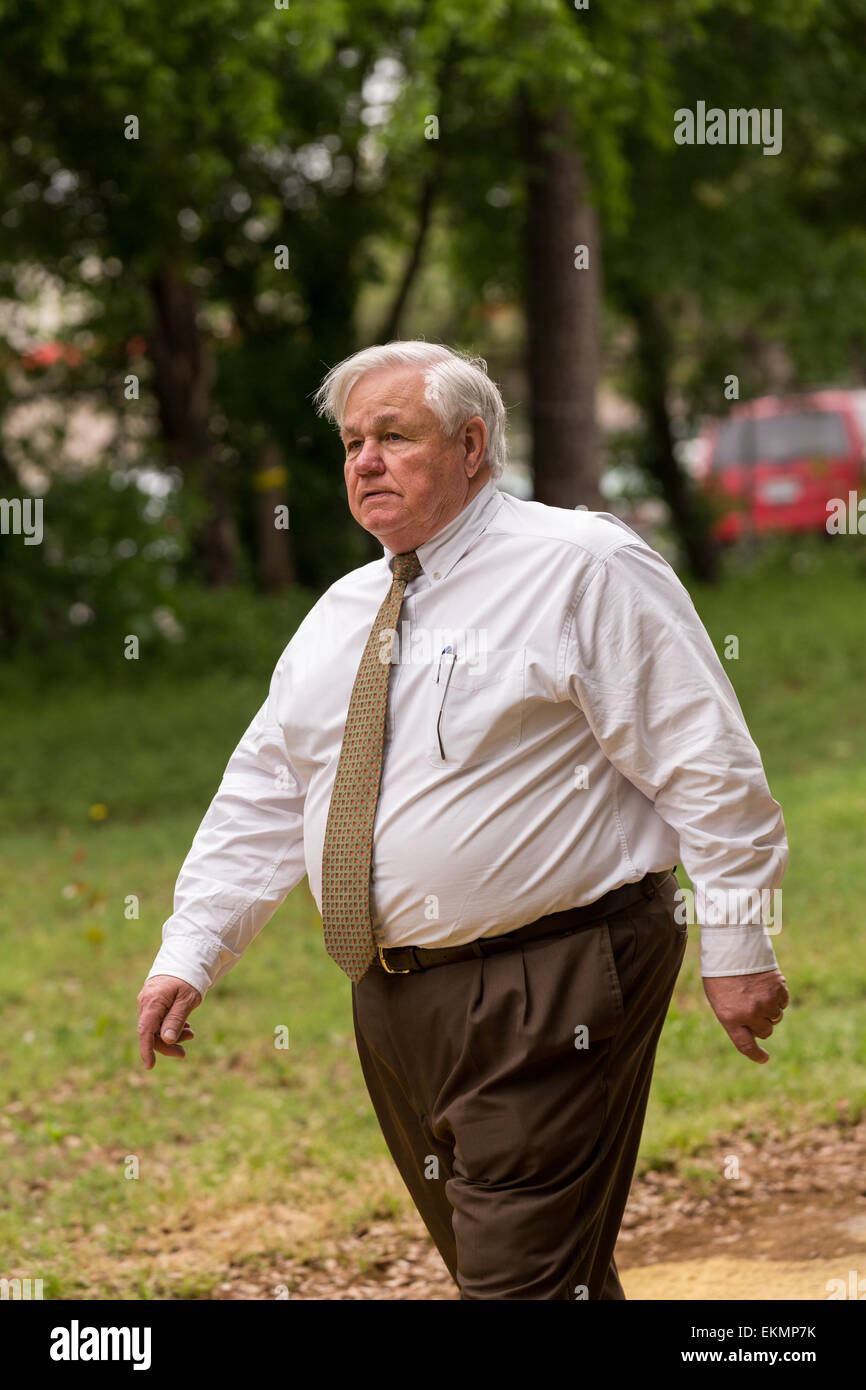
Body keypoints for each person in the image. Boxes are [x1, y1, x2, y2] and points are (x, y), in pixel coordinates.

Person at [137, 340, 789, 1300]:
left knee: (516, 1279)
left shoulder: (583, 565)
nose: (364, 460)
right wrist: (190, 948)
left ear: (472, 445)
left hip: (556, 977)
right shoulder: (340, 611)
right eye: (353, 441)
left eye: (394, 436)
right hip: (394, 998)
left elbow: (705, 759)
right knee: (536, 1269)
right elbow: (270, 791)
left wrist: (738, 942)